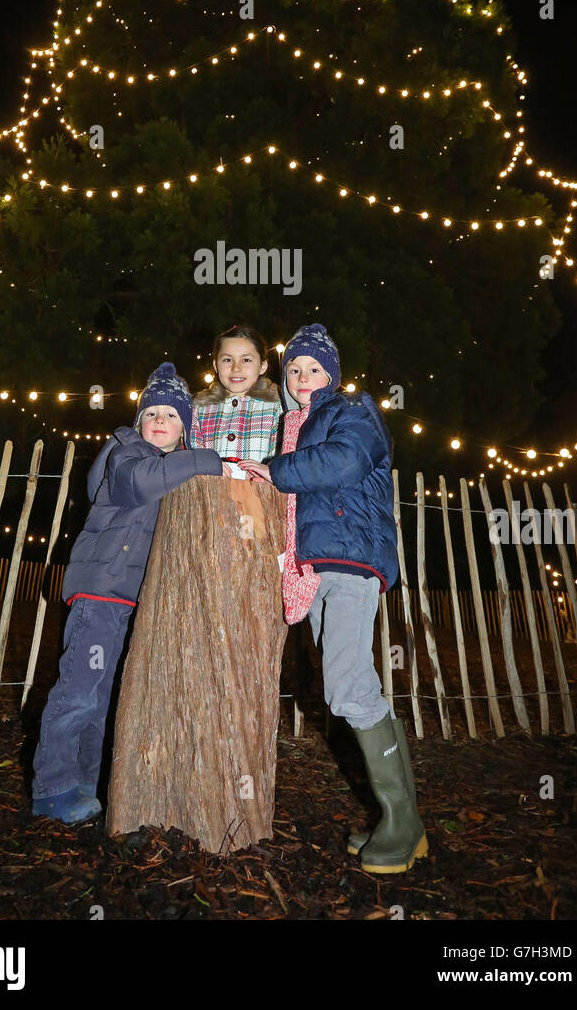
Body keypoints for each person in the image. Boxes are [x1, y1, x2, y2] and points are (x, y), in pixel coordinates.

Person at [240, 323, 428, 874]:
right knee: (345, 685)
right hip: (319, 564)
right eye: (293, 369)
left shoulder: (354, 410)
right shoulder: (291, 426)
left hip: (351, 557)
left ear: (334, 375)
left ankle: (403, 821)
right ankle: (400, 820)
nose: (301, 377)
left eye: (313, 368)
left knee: (348, 689)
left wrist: (276, 471)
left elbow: (344, 462)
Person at [32, 361, 230, 824]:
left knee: (102, 698)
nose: (159, 421)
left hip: (127, 599)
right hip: (101, 592)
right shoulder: (125, 453)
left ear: (184, 428)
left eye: (171, 415)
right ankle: (51, 786)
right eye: (152, 413)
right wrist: (207, 458)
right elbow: (140, 484)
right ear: (139, 420)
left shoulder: (170, 472)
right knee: (80, 689)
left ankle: (83, 784)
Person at [191, 323, 281, 466]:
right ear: (215, 366)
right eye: (227, 360)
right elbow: (193, 454)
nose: (236, 368)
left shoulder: (276, 408)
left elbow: (280, 457)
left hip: (258, 487)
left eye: (246, 360)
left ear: (263, 366)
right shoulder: (199, 409)